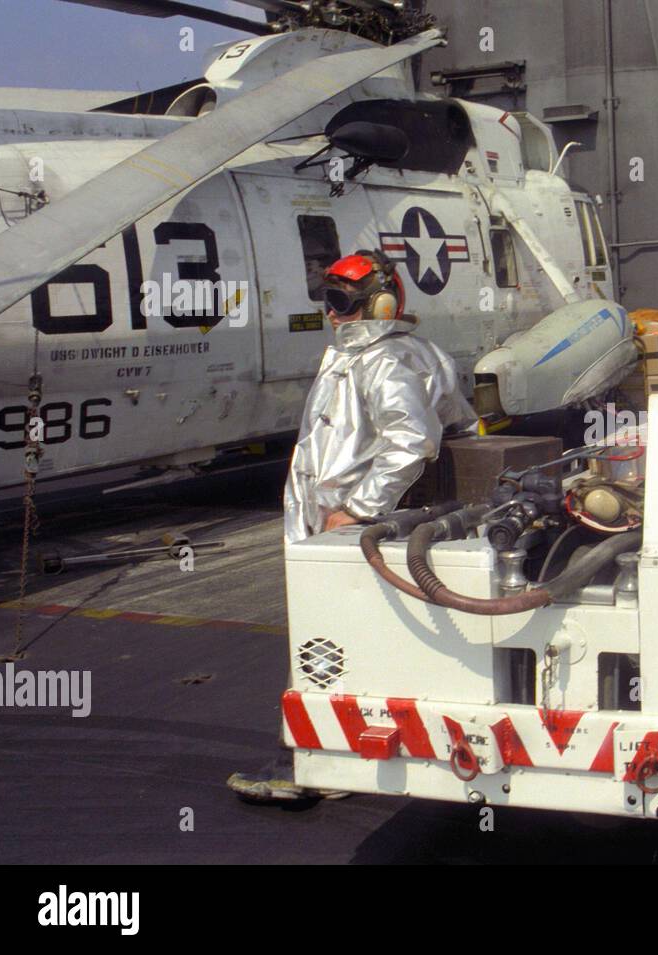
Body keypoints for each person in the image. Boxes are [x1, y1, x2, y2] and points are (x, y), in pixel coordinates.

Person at [228, 249, 476, 803]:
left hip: (347, 529)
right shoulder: (381, 354)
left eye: (341, 302)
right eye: (327, 302)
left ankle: (314, 768)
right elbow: (460, 421)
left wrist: (359, 508)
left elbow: (415, 440)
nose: (333, 314)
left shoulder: (381, 360)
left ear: (377, 304)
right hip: (344, 528)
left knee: (326, 649)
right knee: (360, 645)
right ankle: (345, 758)